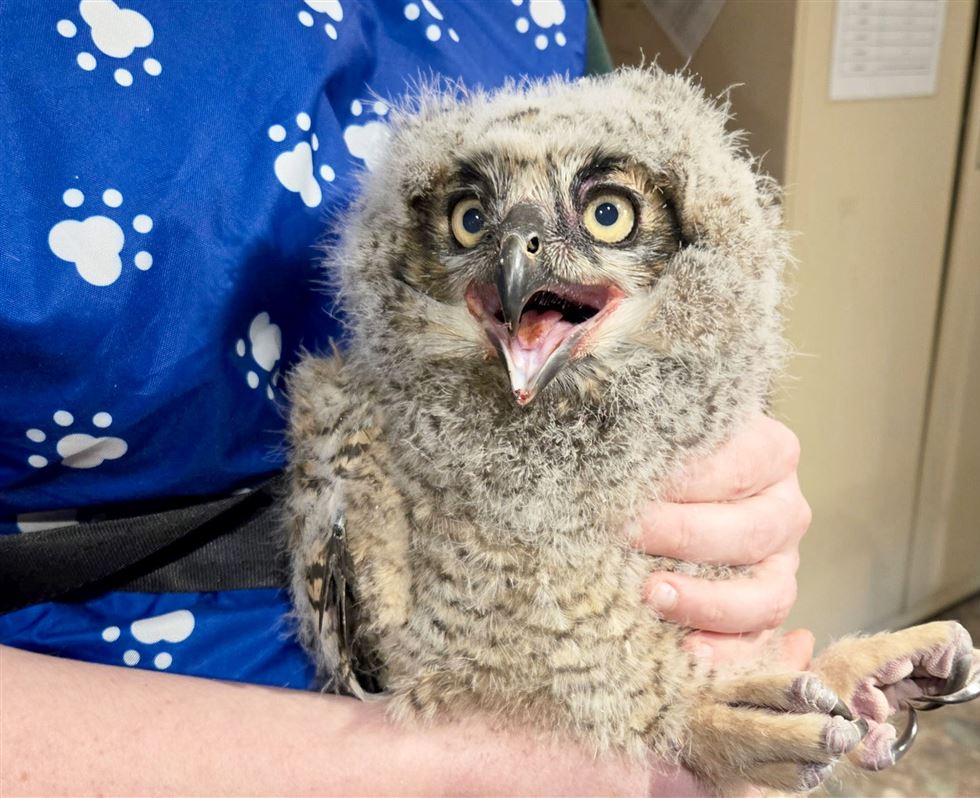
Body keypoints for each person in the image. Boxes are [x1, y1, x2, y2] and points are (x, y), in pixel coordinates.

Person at [0, 2, 811, 793]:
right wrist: (449, 766)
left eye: (603, 212)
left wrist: (729, 493)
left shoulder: (547, 13)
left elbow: (690, 256)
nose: (516, 254)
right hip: (114, 705)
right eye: (467, 220)